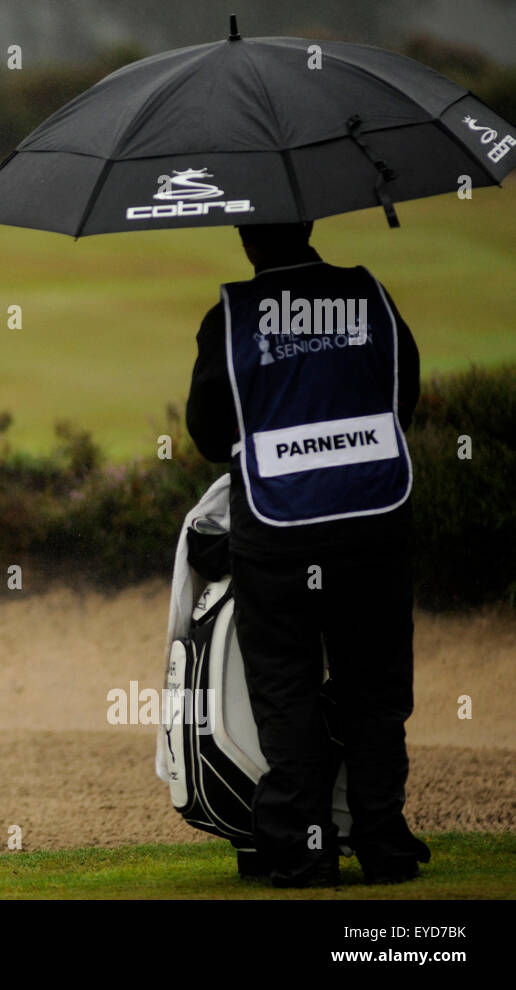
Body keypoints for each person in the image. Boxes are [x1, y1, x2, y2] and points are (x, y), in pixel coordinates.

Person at [185, 222, 431, 888]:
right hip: (374, 519)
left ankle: (301, 850)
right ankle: (385, 847)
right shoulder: (370, 294)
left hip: (278, 531)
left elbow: (209, 433)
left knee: (287, 691)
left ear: (246, 238)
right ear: (310, 225)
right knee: (375, 694)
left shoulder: (232, 314)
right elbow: (402, 395)